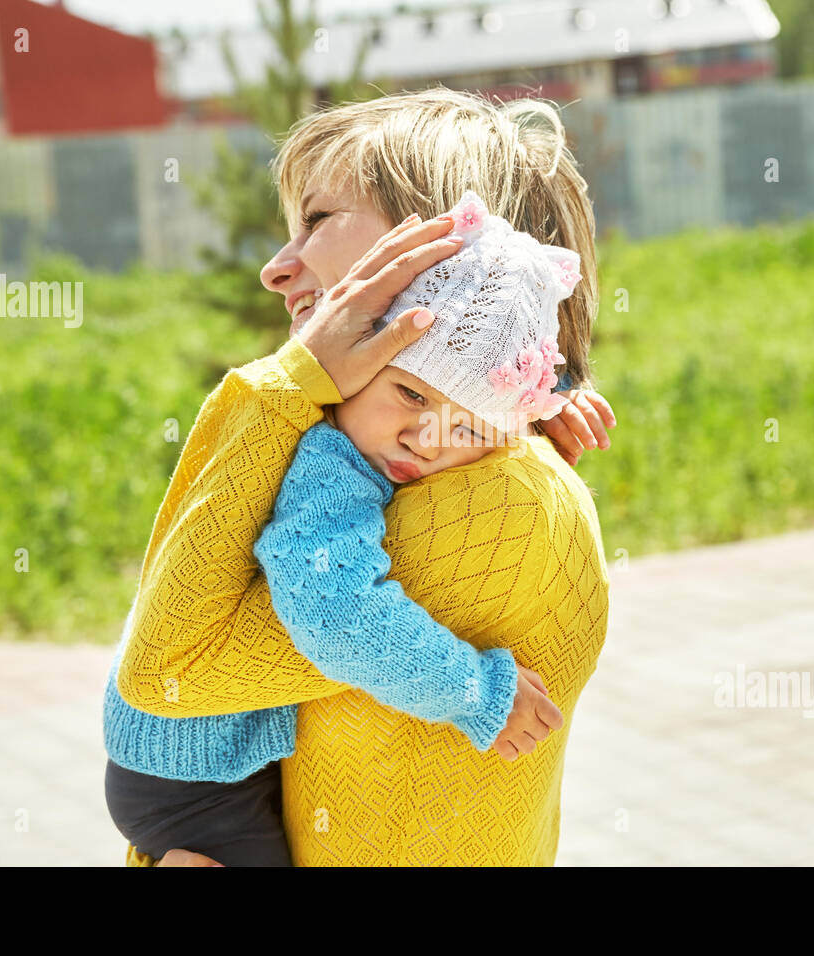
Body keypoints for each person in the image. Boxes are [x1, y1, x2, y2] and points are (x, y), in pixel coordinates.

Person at [114, 88, 615, 866]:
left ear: (443, 244)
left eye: (316, 220)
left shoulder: (496, 502)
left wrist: (287, 383)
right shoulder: (374, 439)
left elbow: (165, 669)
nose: (276, 271)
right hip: (197, 790)